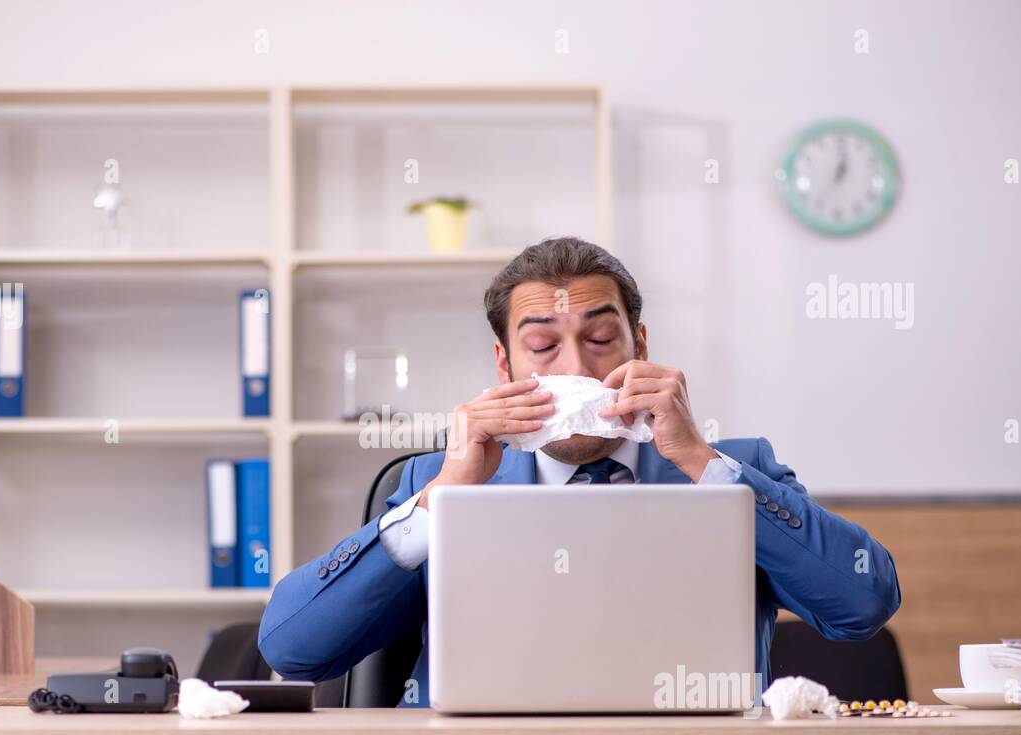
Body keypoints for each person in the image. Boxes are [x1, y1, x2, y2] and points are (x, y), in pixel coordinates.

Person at [259, 236, 901, 707]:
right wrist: (442, 497)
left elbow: (862, 604)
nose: (576, 369)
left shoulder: (734, 469)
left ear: (640, 348)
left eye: (601, 341)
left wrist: (701, 462)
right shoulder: (440, 484)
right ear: (505, 368)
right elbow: (294, 649)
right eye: (542, 348)